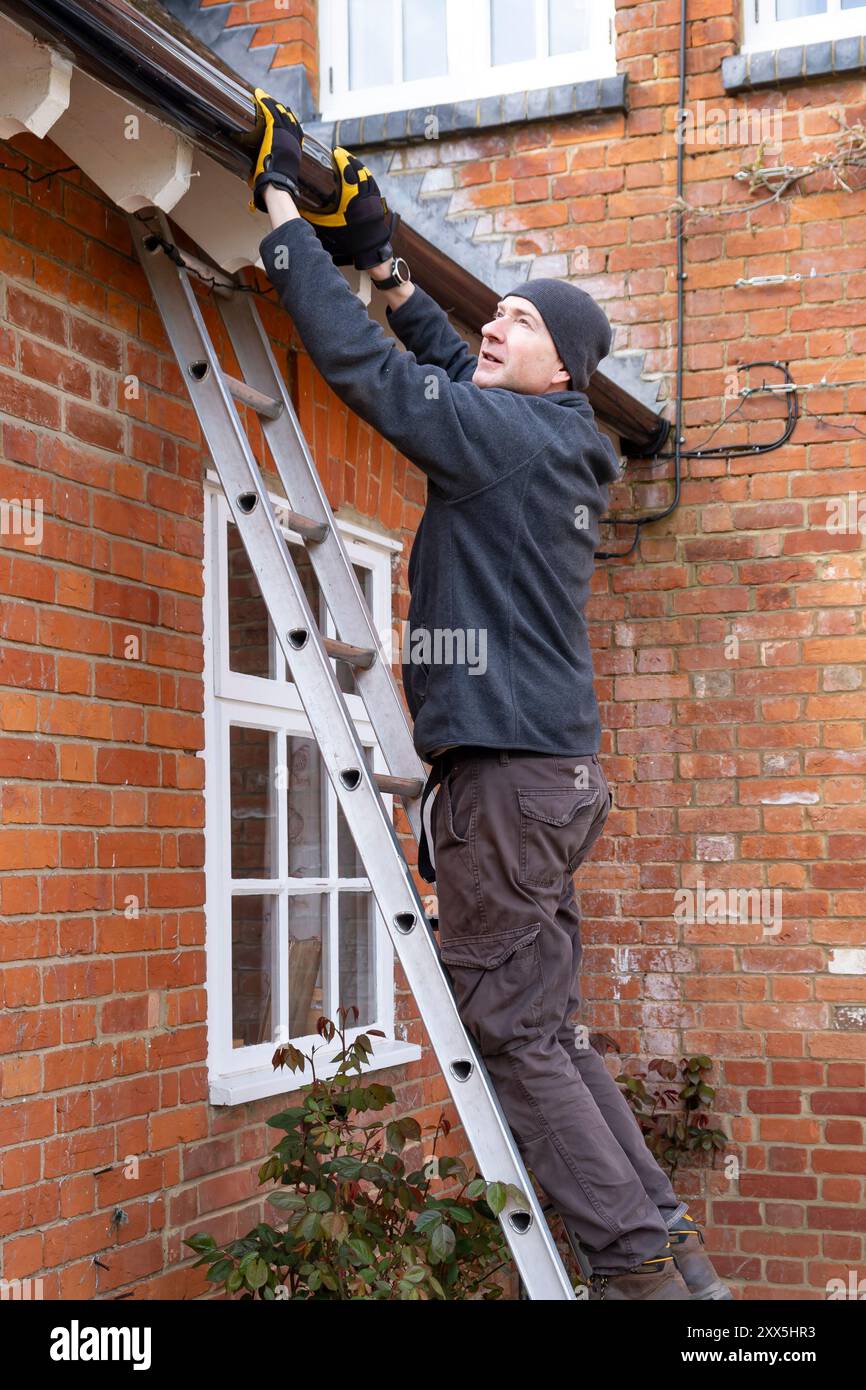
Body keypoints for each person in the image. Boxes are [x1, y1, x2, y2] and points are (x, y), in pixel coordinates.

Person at [248, 91, 731, 1302]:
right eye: (495, 316)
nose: (492, 329)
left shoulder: (500, 436)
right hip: (550, 776)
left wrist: (281, 224)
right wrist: (386, 261)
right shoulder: (561, 440)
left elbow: (372, 374)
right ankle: (666, 1254)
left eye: (515, 322)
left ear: (561, 362)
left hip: (508, 787)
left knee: (511, 1035)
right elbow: (443, 362)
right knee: (548, 1029)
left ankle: (636, 1275)